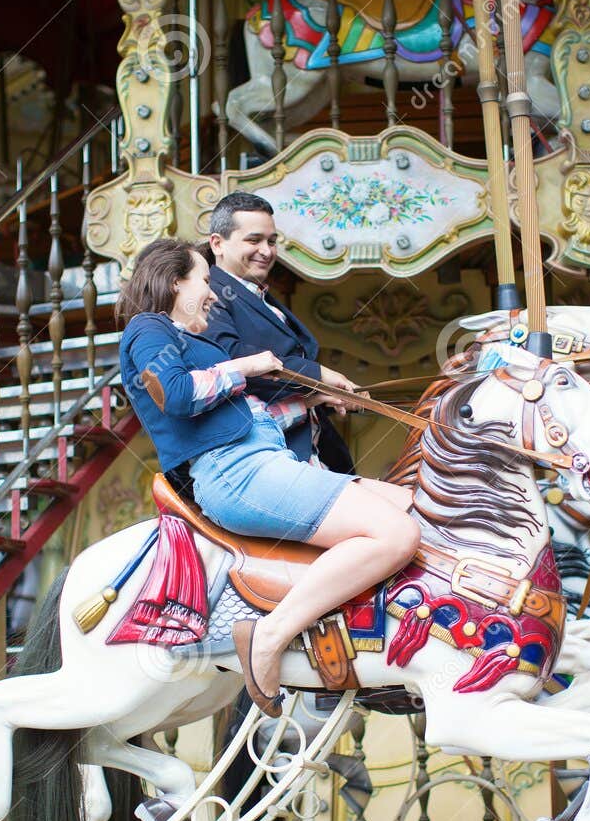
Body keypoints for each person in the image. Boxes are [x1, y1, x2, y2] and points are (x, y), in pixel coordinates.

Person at [118, 238, 420, 716]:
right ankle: (270, 635)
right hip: (235, 473)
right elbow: (174, 395)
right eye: (203, 281)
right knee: (395, 533)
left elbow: (248, 418)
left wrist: (312, 401)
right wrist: (247, 365)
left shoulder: (192, 340)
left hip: (260, 462)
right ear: (175, 283)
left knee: (410, 504)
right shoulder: (147, 329)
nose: (213, 294)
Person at [204, 192, 356, 471]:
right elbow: (231, 358)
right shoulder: (210, 296)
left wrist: (318, 393)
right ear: (217, 243)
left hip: (307, 449)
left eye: (272, 242)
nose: (267, 251)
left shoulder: (258, 297)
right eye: (254, 240)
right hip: (267, 457)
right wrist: (319, 376)